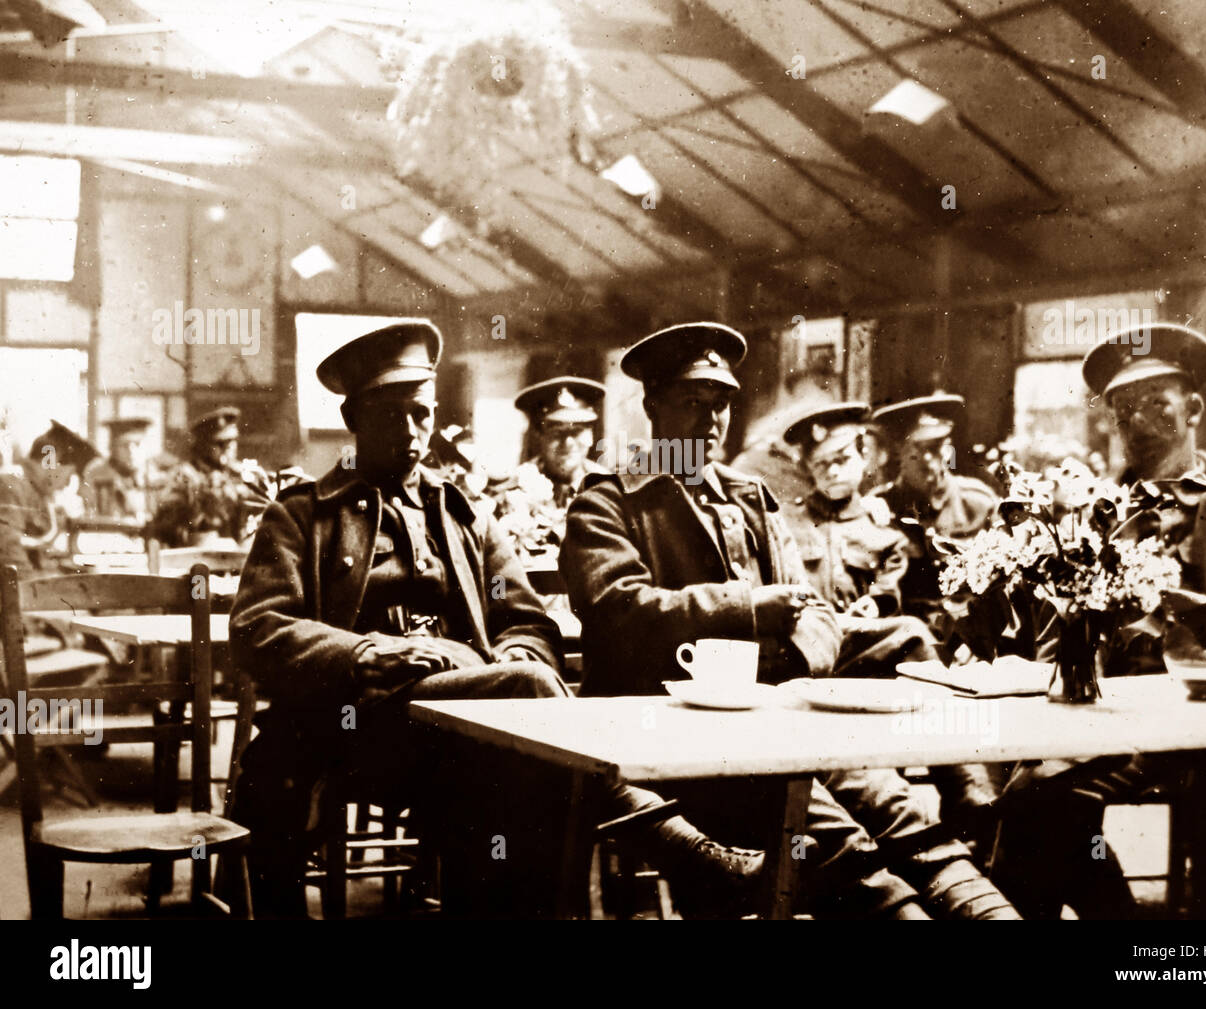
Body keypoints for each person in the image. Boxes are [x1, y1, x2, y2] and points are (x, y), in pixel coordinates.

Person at [228, 322, 761, 918]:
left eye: (422, 414)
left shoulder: (466, 514)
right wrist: (368, 652)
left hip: (462, 723)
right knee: (533, 707)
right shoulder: (303, 514)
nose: (411, 432)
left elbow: (525, 617)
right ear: (354, 419)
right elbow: (259, 626)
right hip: (354, 725)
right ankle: (678, 844)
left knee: (530, 755)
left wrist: (517, 652)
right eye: (390, 415)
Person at [561, 321, 1019, 919]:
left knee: (902, 812)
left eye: (721, 403)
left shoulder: (748, 496)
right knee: (844, 850)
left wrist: (795, 656)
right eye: (691, 403)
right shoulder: (608, 502)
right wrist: (749, 611)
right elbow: (618, 612)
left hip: (782, 724)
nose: (710, 420)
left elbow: (813, 610)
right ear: (652, 406)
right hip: (681, 746)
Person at [992, 323, 1206, 919]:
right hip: (1117, 723)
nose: (1138, 418)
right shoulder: (1090, 519)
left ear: (1193, 407)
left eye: (1156, 401)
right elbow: (1058, 636)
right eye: (1123, 407)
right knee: (1034, 797)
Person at [781, 402, 940, 677]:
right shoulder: (783, 521)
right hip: (800, 639)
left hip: (857, 640)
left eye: (841, 460)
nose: (832, 472)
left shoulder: (884, 530)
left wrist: (875, 604)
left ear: (863, 457)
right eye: (821, 464)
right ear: (808, 468)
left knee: (912, 633)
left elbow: (889, 591)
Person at [872, 394, 999, 632]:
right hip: (910, 642)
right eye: (918, 450)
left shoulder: (978, 502)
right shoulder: (879, 509)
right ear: (898, 451)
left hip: (973, 638)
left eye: (938, 448)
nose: (930, 461)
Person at [147, 407, 265, 547]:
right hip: (195, 552)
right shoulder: (184, 476)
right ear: (203, 445)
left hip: (236, 552)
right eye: (220, 443)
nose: (228, 448)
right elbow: (166, 523)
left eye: (232, 441)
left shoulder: (243, 474)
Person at [0, 421, 98, 574]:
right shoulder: (10, 485)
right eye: (70, 475)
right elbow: (11, 555)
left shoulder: (37, 492)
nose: (66, 484)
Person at [512, 376, 609, 509]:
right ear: (539, 435)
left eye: (577, 432)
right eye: (557, 433)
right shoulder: (516, 486)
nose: (568, 442)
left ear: (590, 435)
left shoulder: (607, 488)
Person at [81, 416, 158, 522]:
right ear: (113, 448)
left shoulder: (153, 475)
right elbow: (87, 516)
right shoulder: (97, 473)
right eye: (125, 445)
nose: (131, 451)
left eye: (137, 444)